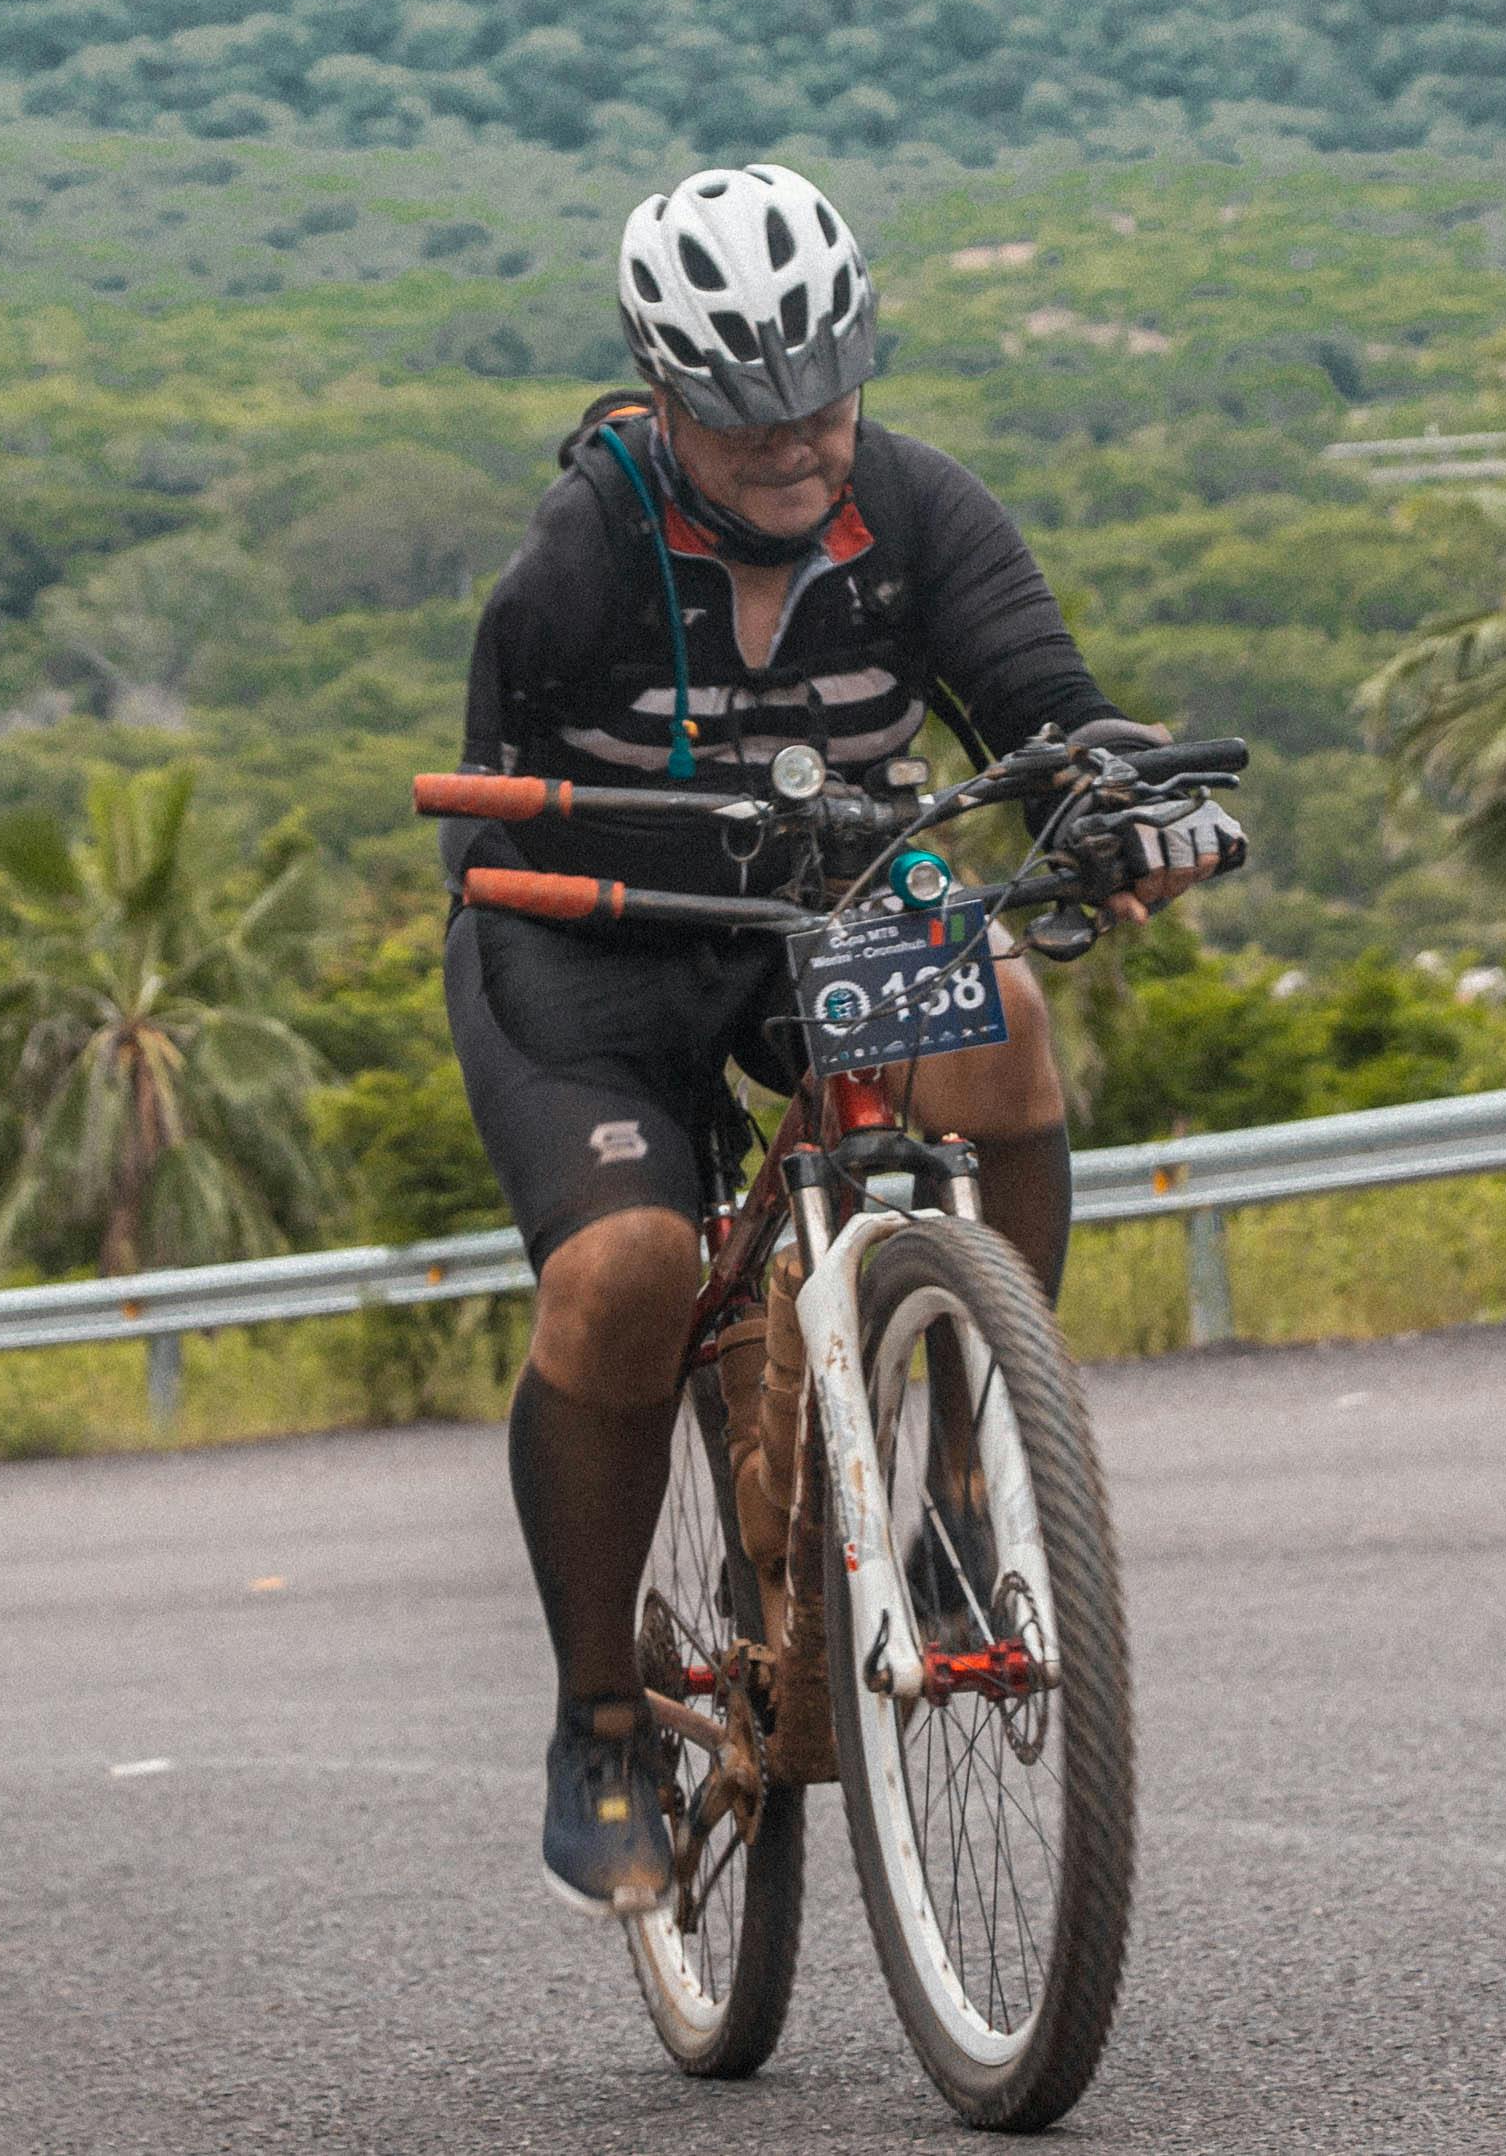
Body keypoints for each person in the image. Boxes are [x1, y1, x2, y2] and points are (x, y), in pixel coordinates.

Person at [442, 159, 1241, 1914]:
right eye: (748, 427)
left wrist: (1128, 814)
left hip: (822, 909)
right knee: (631, 1269)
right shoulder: (583, 553)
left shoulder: (920, 509)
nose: (799, 447)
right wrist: (614, 864)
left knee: (1001, 1015)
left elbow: (1051, 713)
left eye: (825, 401)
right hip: (593, 945)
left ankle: (963, 1446)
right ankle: (595, 1721)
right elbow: (488, 825)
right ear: (662, 402)